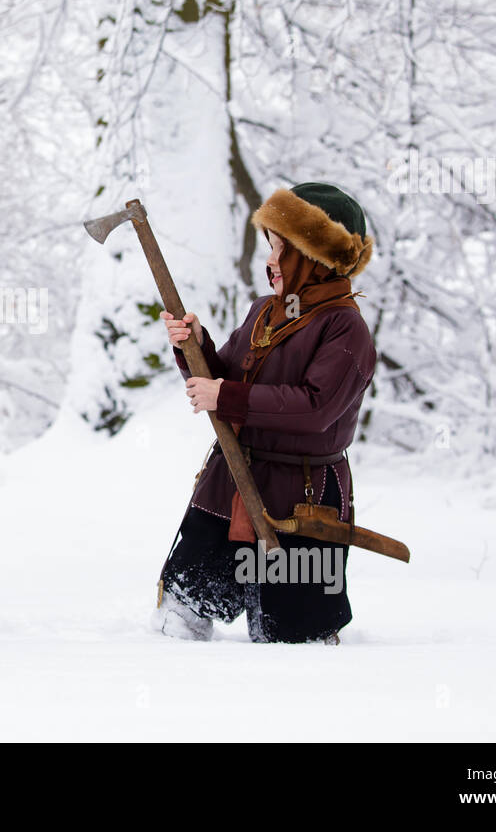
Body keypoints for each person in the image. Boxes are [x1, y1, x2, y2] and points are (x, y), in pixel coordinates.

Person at [153, 182, 376, 644]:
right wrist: (194, 348)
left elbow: (315, 409)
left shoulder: (345, 328)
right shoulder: (265, 312)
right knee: (181, 617)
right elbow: (228, 379)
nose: (270, 260)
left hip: (303, 500)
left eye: (282, 249)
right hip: (230, 484)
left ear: (318, 256)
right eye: (271, 246)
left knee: (294, 641)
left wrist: (225, 396)